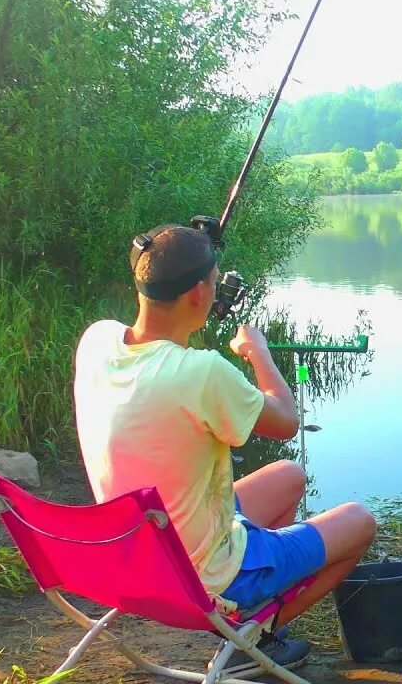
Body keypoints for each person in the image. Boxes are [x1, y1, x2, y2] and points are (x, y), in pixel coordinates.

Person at [73, 224, 377, 668]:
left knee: (289, 477)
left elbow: (160, 345)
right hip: (202, 577)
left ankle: (255, 622)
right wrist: (258, 352)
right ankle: (249, 638)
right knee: (359, 522)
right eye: (214, 283)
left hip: (138, 553)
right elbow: (287, 422)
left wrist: (184, 252)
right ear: (198, 293)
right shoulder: (202, 374)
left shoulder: (97, 340)